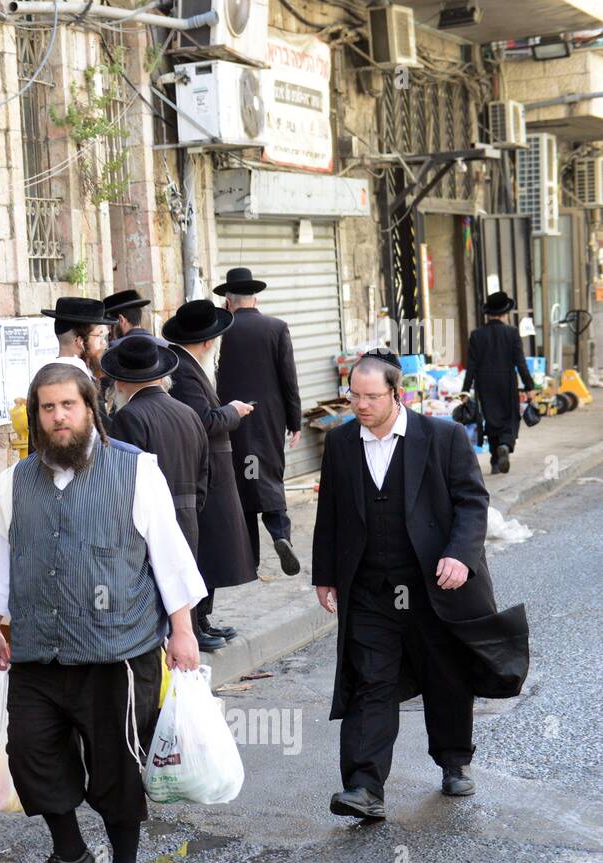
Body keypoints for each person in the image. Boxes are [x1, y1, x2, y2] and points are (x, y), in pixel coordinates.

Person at [0, 363, 205, 863]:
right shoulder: (13, 482)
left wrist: (185, 631)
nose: (57, 418)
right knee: (29, 754)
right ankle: (71, 854)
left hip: (116, 653)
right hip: (37, 651)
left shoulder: (136, 470)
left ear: (90, 407)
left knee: (118, 766)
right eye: (46, 409)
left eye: (67, 406)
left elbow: (169, 556)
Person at [312, 350, 530, 820]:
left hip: (434, 584)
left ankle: (454, 761)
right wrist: (325, 575)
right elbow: (329, 512)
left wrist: (459, 554)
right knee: (371, 679)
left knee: (444, 675)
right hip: (370, 587)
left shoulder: (443, 437)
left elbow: (473, 502)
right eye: (355, 395)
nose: (361, 405)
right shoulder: (341, 443)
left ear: (397, 393)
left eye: (372, 396)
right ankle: (364, 787)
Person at [163, 300, 257, 652]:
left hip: (211, 469)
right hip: (203, 471)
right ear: (207, 342)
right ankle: (194, 624)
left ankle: (202, 619)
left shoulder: (188, 364)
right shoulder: (185, 371)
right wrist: (232, 412)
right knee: (204, 548)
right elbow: (202, 420)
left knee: (213, 548)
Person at [214, 267, 303, 577]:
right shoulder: (276, 328)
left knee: (241, 481)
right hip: (268, 417)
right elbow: (288, 379)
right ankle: (280, 534)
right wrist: (295, 421)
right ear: (254, 297)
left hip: (230, 416)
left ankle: (249, 558)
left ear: (228, 301)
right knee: (268, 474)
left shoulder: (220, 331)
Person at [103, 334, 210, 560]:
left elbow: (124, 486)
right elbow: (203, 479)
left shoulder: (128, 417)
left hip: (150, 536)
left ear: (120, 383)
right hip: (189, 527)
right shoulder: (189, 413)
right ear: (161, 378)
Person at [463, 291, 536, 475]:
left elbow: (471, 365)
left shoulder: (477, 335)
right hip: (506, 382)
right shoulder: (511, 333)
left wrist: (465, 390)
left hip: (484, 383)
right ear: (505, 313)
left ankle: (495, 461)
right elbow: (521, 363)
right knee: (510, 419)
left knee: (492, 420)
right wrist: (529, 387)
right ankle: (504, 445)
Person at [39, 296, 117, 382]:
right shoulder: (80, 382)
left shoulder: (42, 377)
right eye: (100, 336)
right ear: (80, 342)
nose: (104, 343)